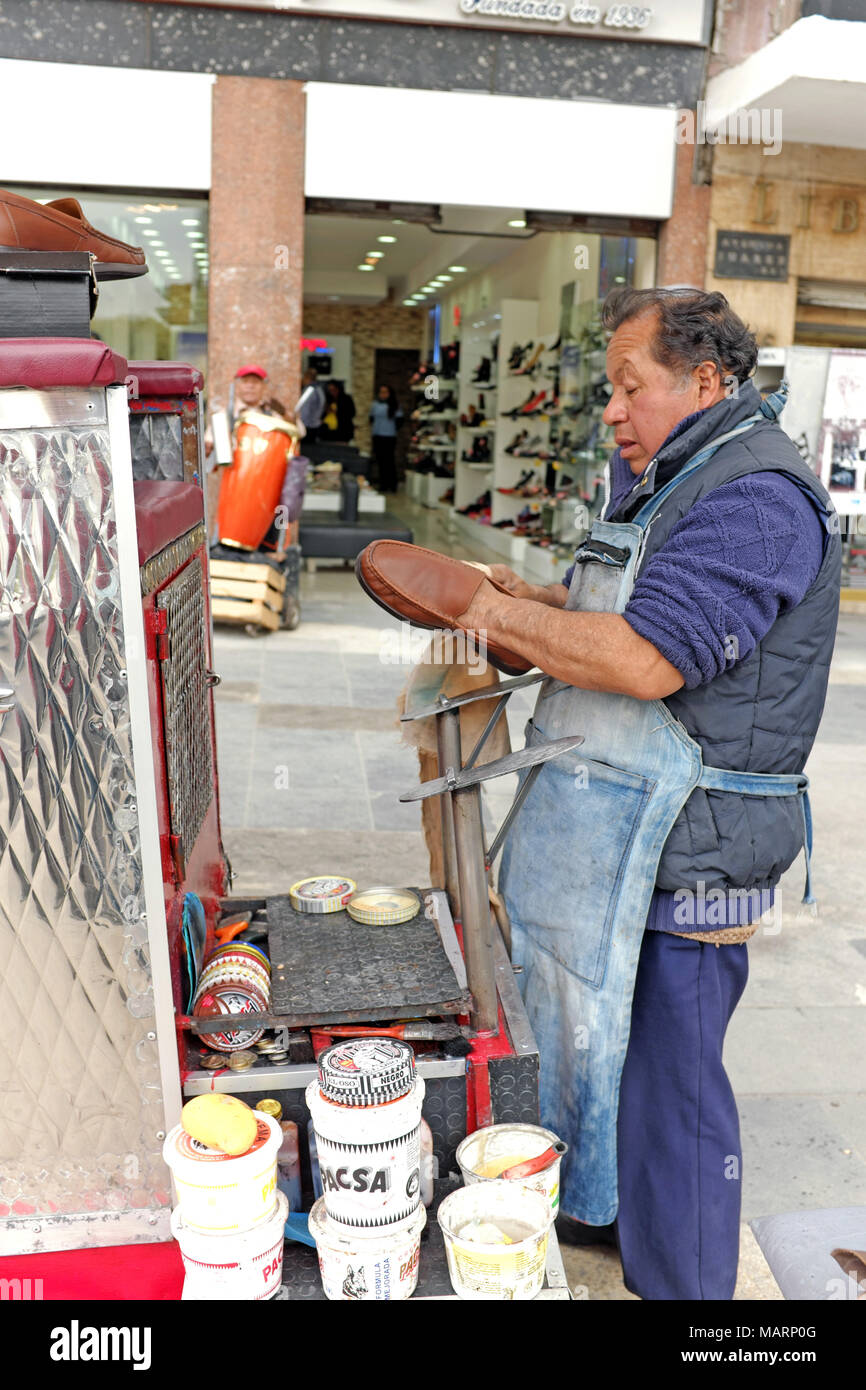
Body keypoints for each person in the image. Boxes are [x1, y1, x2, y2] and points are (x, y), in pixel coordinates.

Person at [357, 288, 841, 1299]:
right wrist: (532, 602)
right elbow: (622, 605)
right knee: (602, 1062)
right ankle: (617, 1231)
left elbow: (643, 656)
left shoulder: (753, 497)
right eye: (608, 390)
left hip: (688, 852)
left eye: (631, 387)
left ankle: (694, 1301)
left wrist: (484, 611)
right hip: (611, 841)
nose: (610, 410)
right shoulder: (676, 476)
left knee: (673, 1099)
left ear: (704, 380)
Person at [369, 384, 404, 492]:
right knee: (380, 461)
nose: (383, 394)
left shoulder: (395, 405)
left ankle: (392, 484)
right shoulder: (375, 404)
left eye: (385, 392)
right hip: (378, 435)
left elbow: (399, 421)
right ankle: (383, 484)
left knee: (389, 461)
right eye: (381, 392)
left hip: (389, 436)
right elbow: (371, 418)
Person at [296, 367, 327, 443]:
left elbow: (304, 409)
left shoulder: (309, 390)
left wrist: (298, 423)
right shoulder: (319, 389)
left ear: (307, 377)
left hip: (308, 427)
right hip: (315, 425)